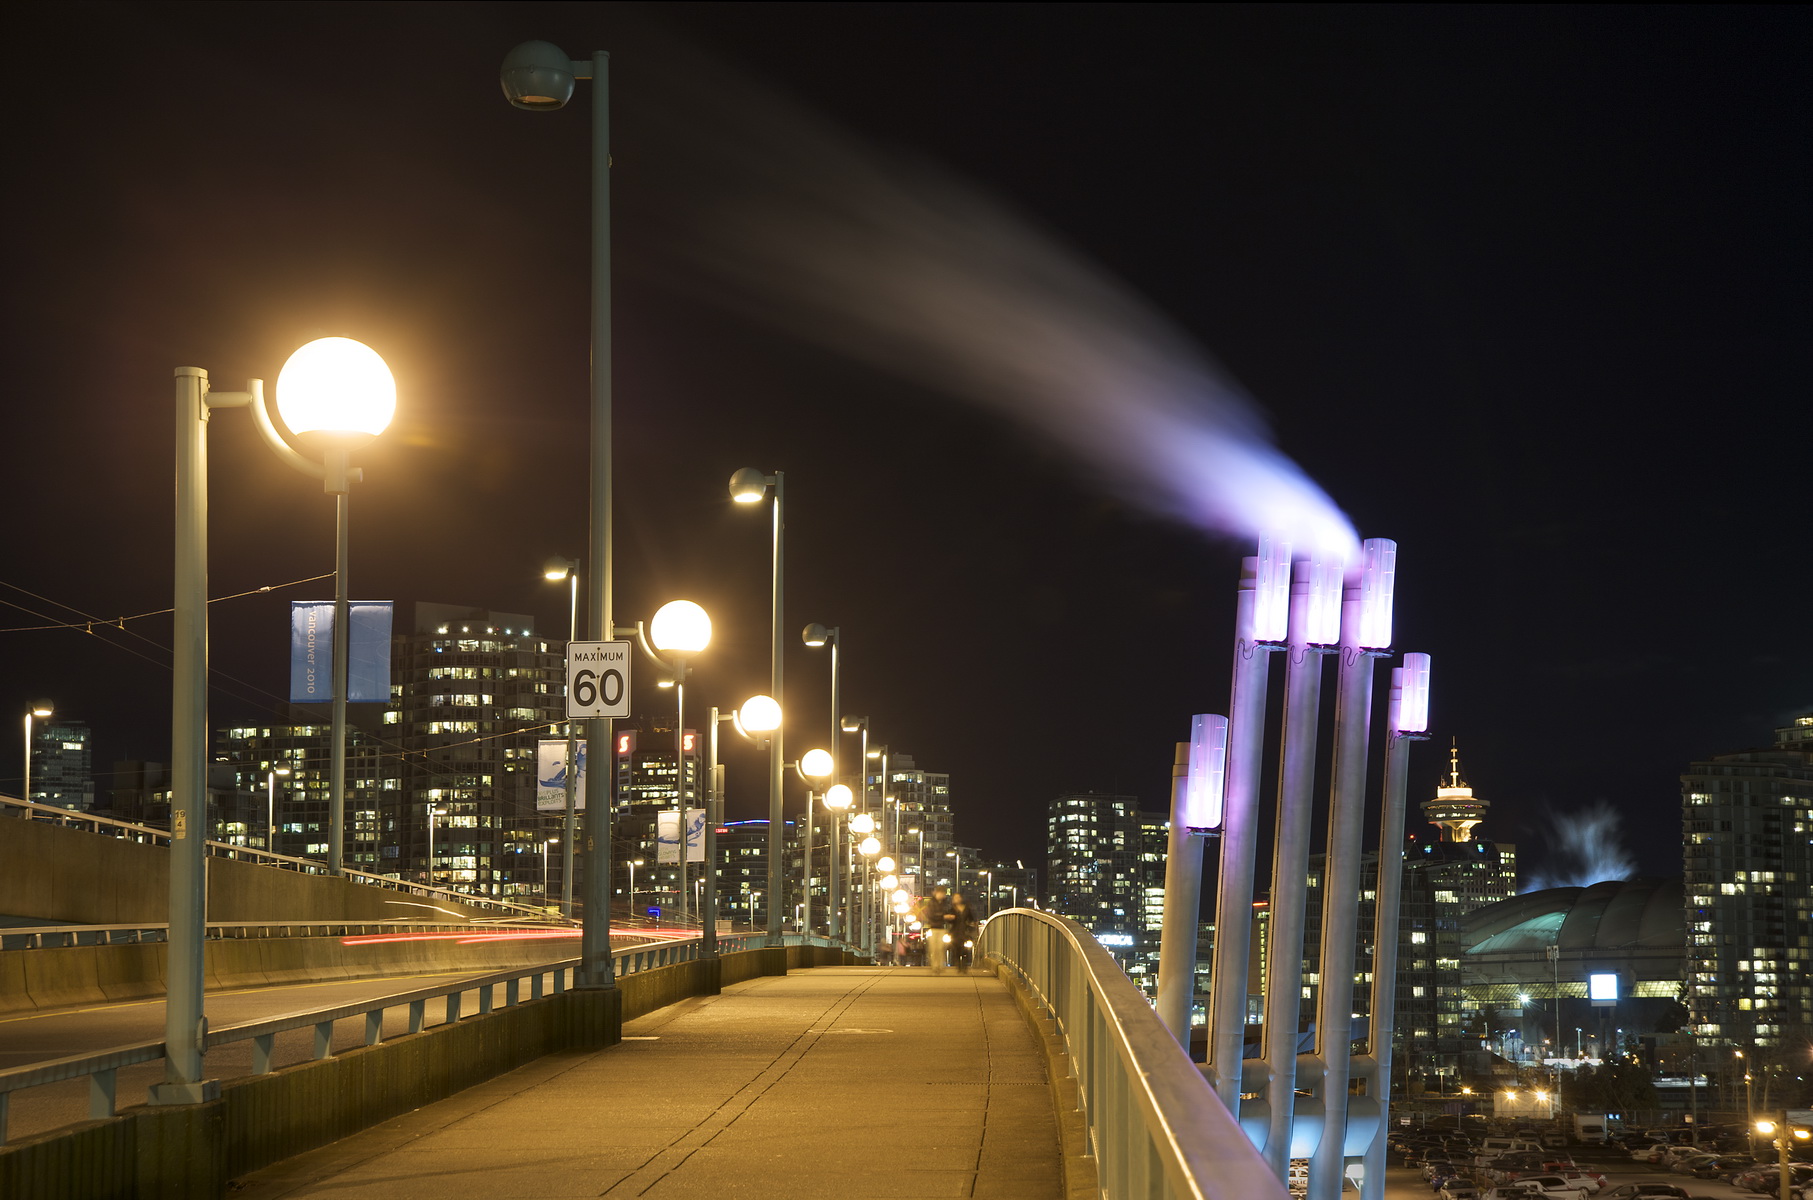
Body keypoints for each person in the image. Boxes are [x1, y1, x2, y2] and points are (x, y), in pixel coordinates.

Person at [914, 886, 953, 974]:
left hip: (941, 928)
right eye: (940, 893)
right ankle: (935, 966)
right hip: (933, 928)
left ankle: (940, 965)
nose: (942, 895)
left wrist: (945, 916)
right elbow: (931, 915)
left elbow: (947, 913)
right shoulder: (932, 903)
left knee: (940, 948)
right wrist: (943, 916)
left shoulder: (945, 903)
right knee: (934, 948)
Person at [948, 891, 978, 974]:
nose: (956, 899)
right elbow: (948, 920)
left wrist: (973, 924)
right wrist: (949, 918)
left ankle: (964, 966)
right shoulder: (952, 909)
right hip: (955, 931)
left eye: (958, 897)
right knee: (956, 949)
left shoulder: (966, 908)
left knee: (965, 949)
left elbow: (971, 918)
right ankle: (959, 966)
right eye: (955, 898)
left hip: (965, 931)